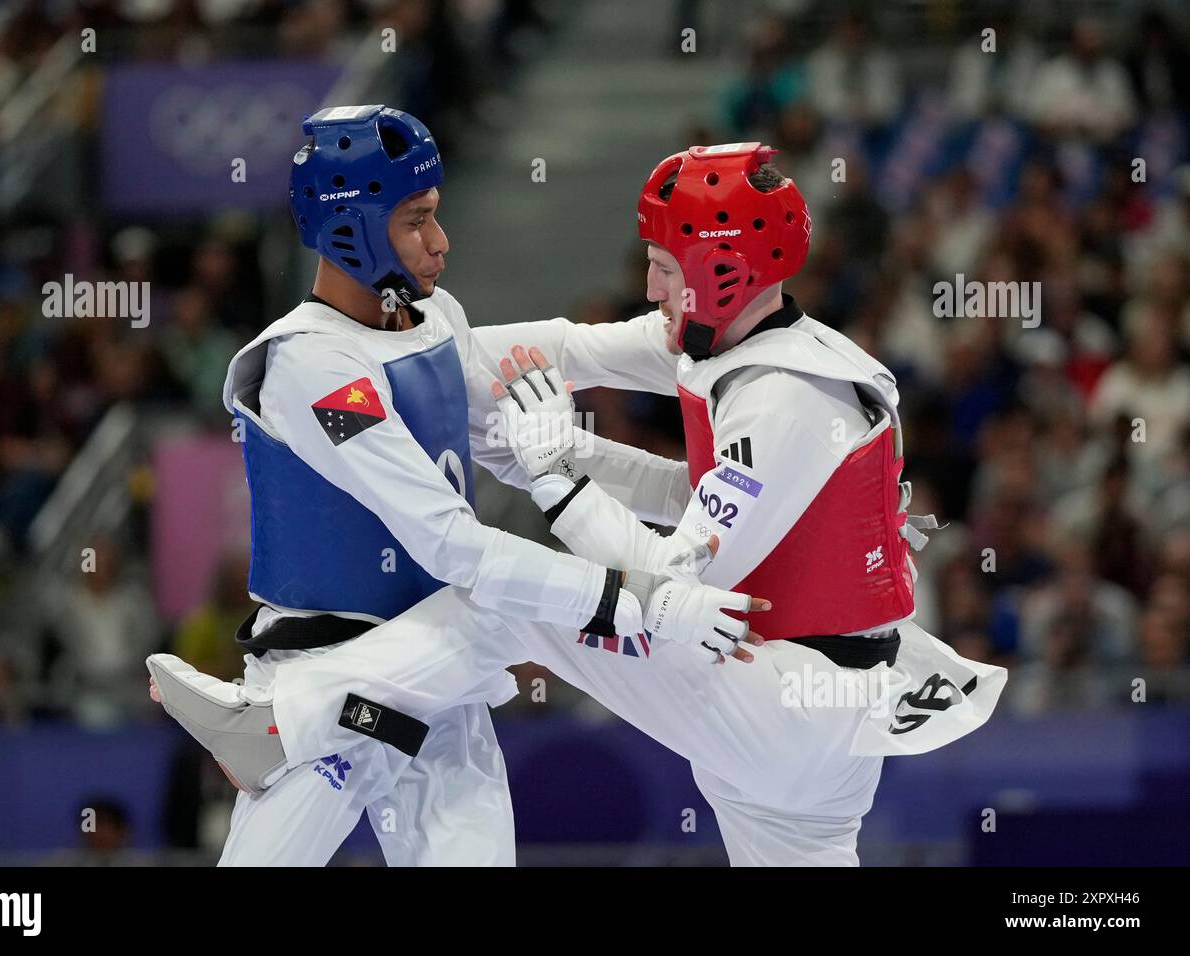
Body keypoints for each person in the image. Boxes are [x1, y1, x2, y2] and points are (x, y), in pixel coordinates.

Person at [153, 140, 1008, 865]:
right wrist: (522, 431)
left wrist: (555, 477)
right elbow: (594, 385)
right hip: (817, 723)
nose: (648, 283)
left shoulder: (785, 398)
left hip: (789, 700)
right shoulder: (745, 340)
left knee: (513, 599)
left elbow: (666, 577)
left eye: (664, 266)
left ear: (720, 265)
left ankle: (282, 721)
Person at [148, 105, 754, 866]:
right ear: (353, 227)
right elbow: (449, 540)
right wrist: (642, 600)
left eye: (435, 216)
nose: (440, 242)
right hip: (336, 677)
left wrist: (692, 490)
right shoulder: (312, 366)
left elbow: (522, 451)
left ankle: (279, 721)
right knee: (504, 600)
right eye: (416, 220)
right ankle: (281, 722)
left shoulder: (435, 319)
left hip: (440, 675)